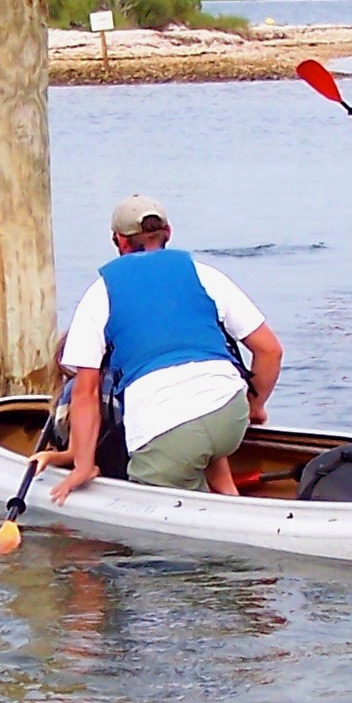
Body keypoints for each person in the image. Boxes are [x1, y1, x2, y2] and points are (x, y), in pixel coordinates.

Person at [47, 194, 282, 504]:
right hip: (229, 416)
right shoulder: (205, 275)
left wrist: (84, 466)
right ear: (168, 233)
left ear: (119, 241)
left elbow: (85, 392)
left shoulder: (101, 293)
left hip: (170, 430)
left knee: (151, 510)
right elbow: (270, 350)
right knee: (200, 439)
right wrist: (254, 405)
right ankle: (230, 497)